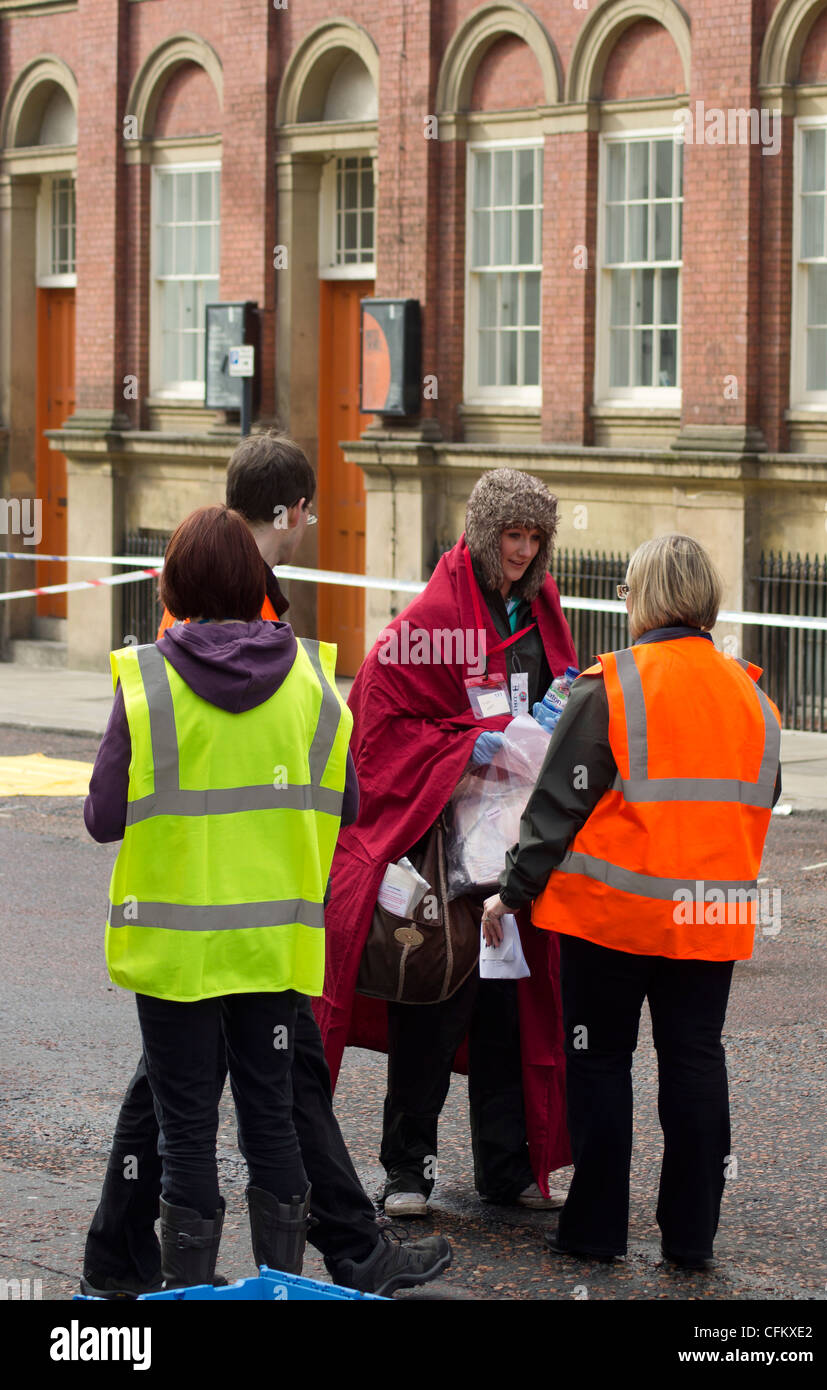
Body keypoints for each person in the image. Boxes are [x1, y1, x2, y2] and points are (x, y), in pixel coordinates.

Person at [82, 433, 451, 1297]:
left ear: (173, 586)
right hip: (273, 946)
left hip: (175, 953)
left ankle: (176, 1285)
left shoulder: (148, 681)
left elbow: (103, 818)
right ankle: (282, 1283)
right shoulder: (314, 681)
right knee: (270, 1124)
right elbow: (348, 805)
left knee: (181, 1129)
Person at [482, 533, 782, 1268]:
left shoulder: (611, 683)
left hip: (613, 917)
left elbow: (553, 809)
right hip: (709, 915)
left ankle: (594, 1233)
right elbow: (763, 796)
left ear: (644, 596)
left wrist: (510, 893)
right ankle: (689, 1239)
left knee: (599, 1063)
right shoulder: (752, 695)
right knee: (692, 1063)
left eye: (624, 589)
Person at [316, 468, 577, 1219]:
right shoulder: (434, 614)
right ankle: (406, 1172)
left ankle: (508, 1168)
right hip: (438, 847)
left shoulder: (541, 608)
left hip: (515, 846)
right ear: (483, 534)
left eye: (534, 537)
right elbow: (377, 720)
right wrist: (465, 748)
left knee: (507, 1013)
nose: (523, 551)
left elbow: (559, 695)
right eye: (511, 536)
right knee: (429, 1002)